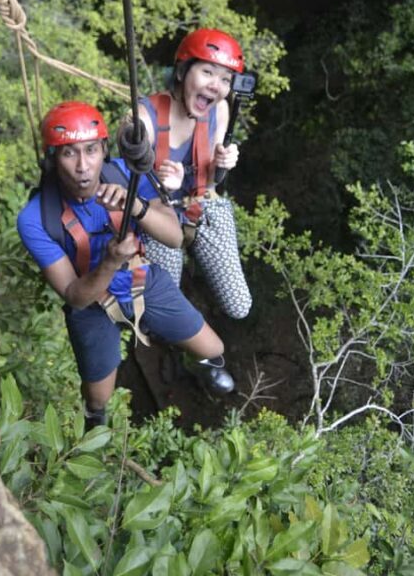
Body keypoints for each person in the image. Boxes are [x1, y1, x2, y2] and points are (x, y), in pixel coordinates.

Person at [17, 101, 235, 429]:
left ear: (104, 149)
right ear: (52, 159)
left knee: (214, 348)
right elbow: (75, 296)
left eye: (91, 150)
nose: (82, 166)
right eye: (69, 153)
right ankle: (96, 418)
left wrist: (137, 207)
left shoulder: (129, 175)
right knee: (98, 398)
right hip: (92, 305)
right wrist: (109, 261)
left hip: (141, 278)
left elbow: (175, 238)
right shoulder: (36, 217)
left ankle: (201, 364)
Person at [123, 28, 252, 321]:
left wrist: (222, 163)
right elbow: (130, 145)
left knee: (239, 305)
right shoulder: (146, 115)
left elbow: (213, 180)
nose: (216, 86)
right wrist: (159, 182)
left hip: (200, 207)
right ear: (182, 71)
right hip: (157, 216)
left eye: (225, 79)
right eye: (207, 72)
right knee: (164, 312)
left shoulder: (219, 110)